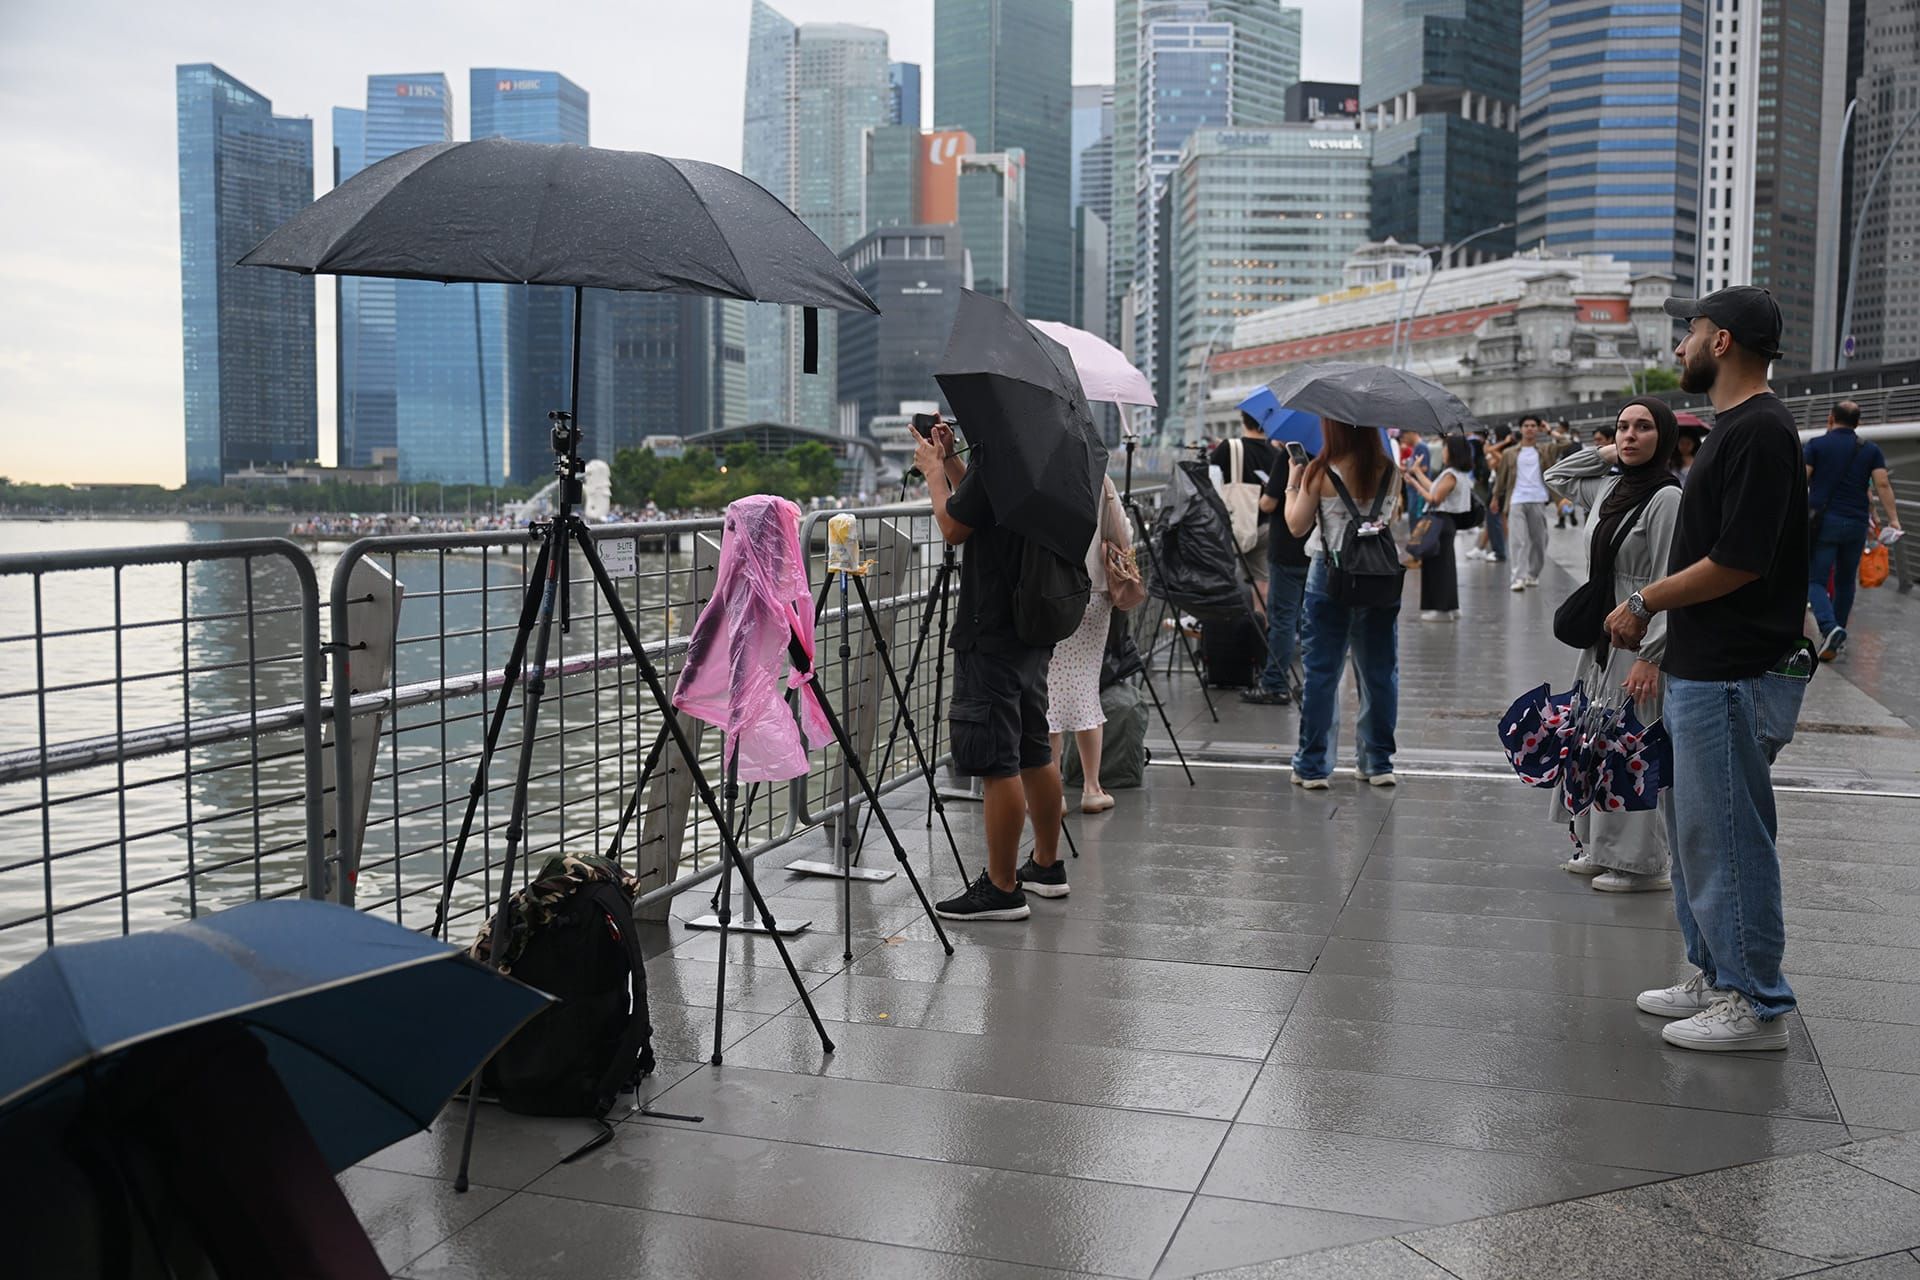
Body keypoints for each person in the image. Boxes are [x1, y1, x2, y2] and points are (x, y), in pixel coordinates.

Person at [1605, 285, 1810, 1052]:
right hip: (1703, 667)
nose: (1680, 346)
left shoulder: (1760, 431)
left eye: (1689, 332)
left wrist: (1645, 601)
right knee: (1696, 836)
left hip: (1734, 671)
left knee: (1727, 836)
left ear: (1720, 341)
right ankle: (1717, 974)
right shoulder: (1733, 429)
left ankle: (1754, 1001)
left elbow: (1737, 563)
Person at [915, 416, 1066, 920]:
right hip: (1032, 618)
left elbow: (956, 525)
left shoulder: (1002, 448)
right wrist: (957, 461)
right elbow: (986, 503)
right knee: (1033, 746)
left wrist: (934, 472)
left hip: (993, 623)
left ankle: (1002, 888)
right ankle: (1046, 864)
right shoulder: (1044, 447)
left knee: (999, 759)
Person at [1544, 398, 1683, 892]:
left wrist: (1652, 655)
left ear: (1663, 437)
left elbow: (1670, 577)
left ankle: (1642, 863)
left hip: (1640, 633)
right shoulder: (1612, 486)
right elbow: (1556, 475)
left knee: (1633, 742)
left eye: (1643, 428)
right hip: (1603, 631)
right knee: (1594, 737)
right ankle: (1598, 845)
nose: (1629, 436)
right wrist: (1607, 454)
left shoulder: (1666, 498)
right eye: (1623, 427)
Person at [1281, 419, 1403, 789]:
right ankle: (1378, 762)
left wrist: (1293, 481)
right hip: (1378, 578)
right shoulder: (1390, 470)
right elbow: (1390, 519)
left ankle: (1314, 766)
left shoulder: (1320, 470)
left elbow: (1296, 526)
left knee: (1322, 675)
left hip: (1329, 576)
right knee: (1380, 673)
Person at [1047, 474, 1131, 812]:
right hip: (1096, 592)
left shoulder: (1041, 474)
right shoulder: (1099, 476)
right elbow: (1124, 534)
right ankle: (1092, 788)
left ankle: (1051, 793)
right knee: (1085, 687)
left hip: (1050, 593)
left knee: (1048, 693)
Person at [1804, 399, 1903, 660]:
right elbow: (1882, 485)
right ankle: (1837, 637)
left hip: (1823, 523)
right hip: (1856, 523)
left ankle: (1829, 627)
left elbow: (1800, 478)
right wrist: (1893, 520)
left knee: (1815, 579)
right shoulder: (1870, 450)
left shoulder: (1816, 445)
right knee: (1846, 581)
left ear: (1830, 418)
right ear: (1858, 423)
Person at [1245, 441, 1315, 704]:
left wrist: (1282, 486)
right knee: (1310, 619)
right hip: (1316, 549)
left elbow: (1268, 504)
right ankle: (1311, 684)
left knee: (1283, 619)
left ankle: (1274, 683)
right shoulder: (1325, 455)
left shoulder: (1285, 459)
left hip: (1287, 549)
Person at [1400, 435, 1473, 621]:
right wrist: (1416, 475)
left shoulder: (1450, 475)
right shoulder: (1456, 474)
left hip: (1440, 521)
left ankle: (1440, 609)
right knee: (1445, 565)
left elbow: (1434, 498)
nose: (1443, 452)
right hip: (1447, 522)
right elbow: (1434, 488)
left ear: (1453, 451)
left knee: (1437, 566)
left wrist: (1415, 484)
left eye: (1445, 448)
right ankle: (1451, 607)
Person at [1491, 415, 1566, 591]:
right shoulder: (1510, 453)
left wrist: (1549, 430)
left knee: (1539, 540)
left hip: (1538, 499)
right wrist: (1495, 497)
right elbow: (1501, 478)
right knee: (1518, 541)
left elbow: (1565, 443)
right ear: (1521, 429)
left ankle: (1532, 574)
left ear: (1537, 429)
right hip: (1516, 499)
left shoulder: (1545, 450)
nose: (1530, 428)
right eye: (1526, 425)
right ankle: (1518, 577)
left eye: (1533, 425)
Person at [1210, 412, 1280, 597]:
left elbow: (1208, 479)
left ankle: (1223, 621)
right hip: (1267, 525)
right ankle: (1260, 622)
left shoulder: (1230, 447)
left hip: (1236, 525)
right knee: (1262, 582)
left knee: (1219, 574)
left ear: (1243, 420)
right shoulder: (1276, 453)